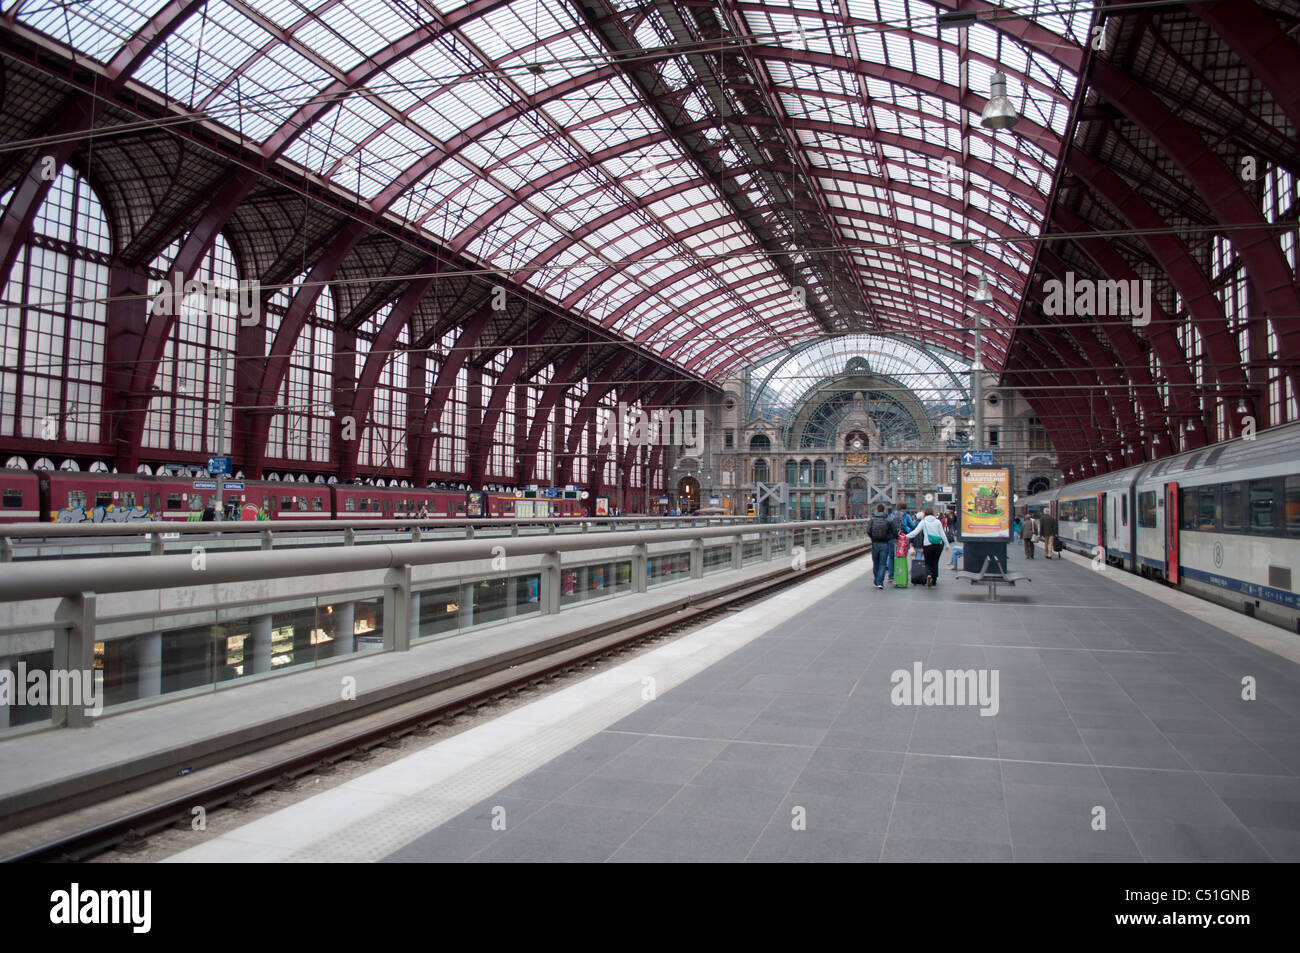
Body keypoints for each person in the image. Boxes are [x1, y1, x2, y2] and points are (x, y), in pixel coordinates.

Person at [906, 506, 947, 588]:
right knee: (935, 563)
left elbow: (915, 532)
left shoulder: (923, 522)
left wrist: (905, 536)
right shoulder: (938, 521)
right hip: (938, 544)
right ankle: (934, 581)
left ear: (925, 514)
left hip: (927, 545)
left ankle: (928, 575)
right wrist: (947, 544)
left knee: (928, 562)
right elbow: (942, 534)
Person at [866, 503, 894, 590]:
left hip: (875, 543)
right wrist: (888, 538)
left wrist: (872, 538)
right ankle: (880, 582)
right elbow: (893, 532)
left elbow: (868, 530)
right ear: (884, 510)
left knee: (876, 563)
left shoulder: (872, 519)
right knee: (882, 563)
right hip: (884, 544)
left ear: (877, 510)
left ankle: (876, 581)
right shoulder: (888, 520)